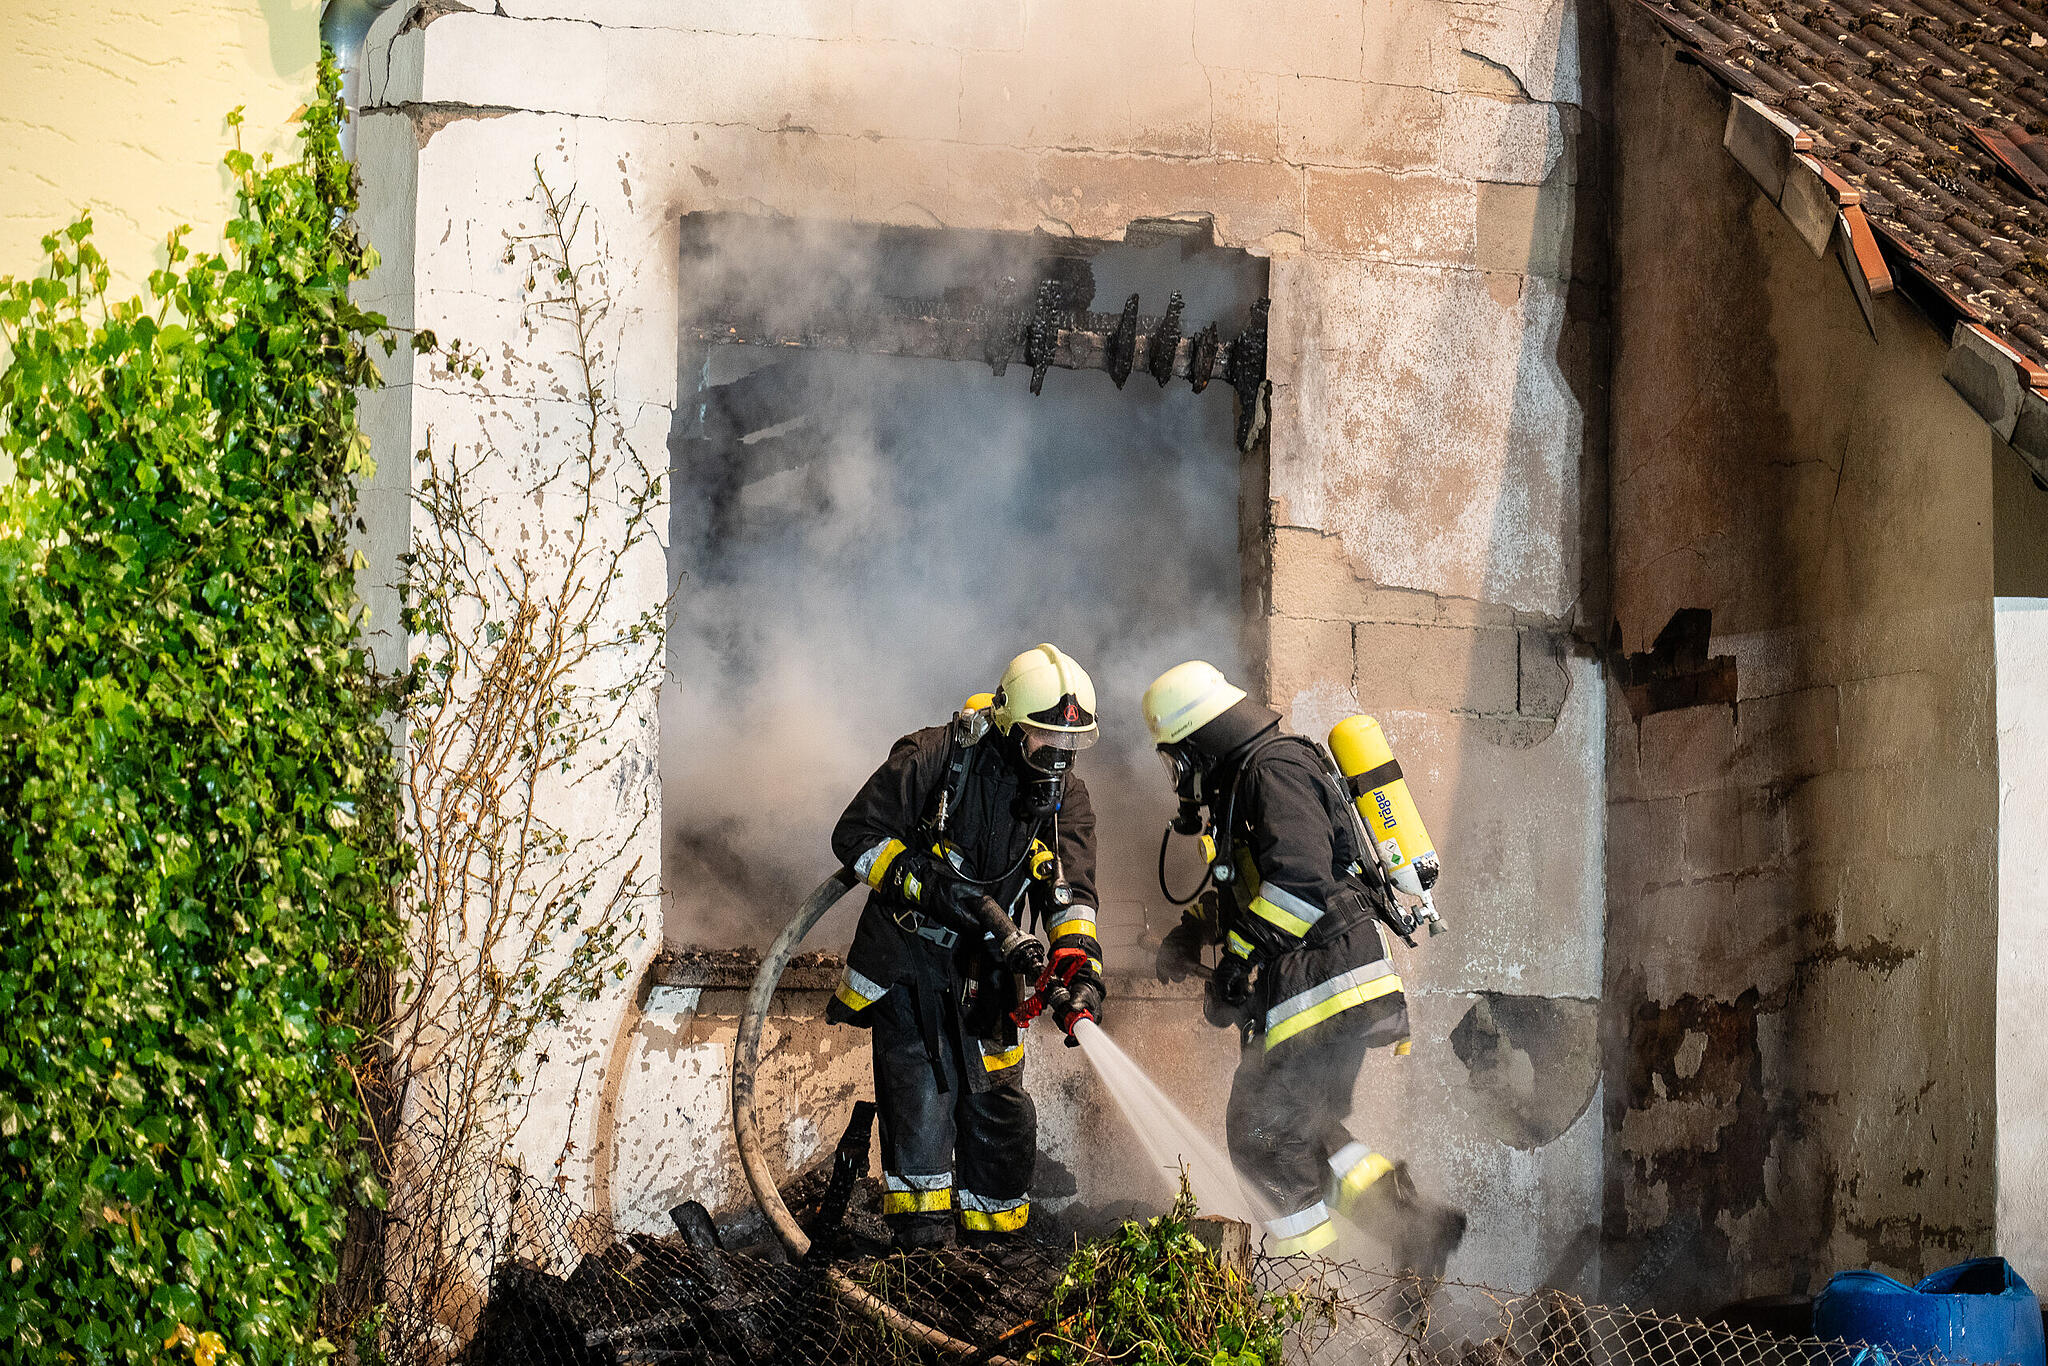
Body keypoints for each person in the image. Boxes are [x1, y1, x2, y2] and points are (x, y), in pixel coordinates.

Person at [1143, 660, 1464, 1271]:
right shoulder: (1251, 777)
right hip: (1326, 980)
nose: (1178, 776)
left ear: (1200, 738)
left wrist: (1237, 959)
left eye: (1176, 758)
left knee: (1261, 1137)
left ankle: (1308, 1288)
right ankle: (1412, 1227)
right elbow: (1252, 885)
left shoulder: (1273, 770)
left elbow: (1299, 884)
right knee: (1299, 1129)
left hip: (1328, 980)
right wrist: (1193, 934)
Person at [826, 644, 1107, 1248]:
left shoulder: (1065, 798)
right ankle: (922, 1265)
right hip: (911, 969)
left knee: (1001, 1120)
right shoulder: (932, 757)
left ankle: (995, 1262)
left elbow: (1071, 893)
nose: (1057, 760)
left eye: (1071, 748)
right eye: (1043, 742)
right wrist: (932, 888)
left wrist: (1078, 964)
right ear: (1008, 727)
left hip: (990, 976)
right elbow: (855, 835)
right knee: (923, 1119)